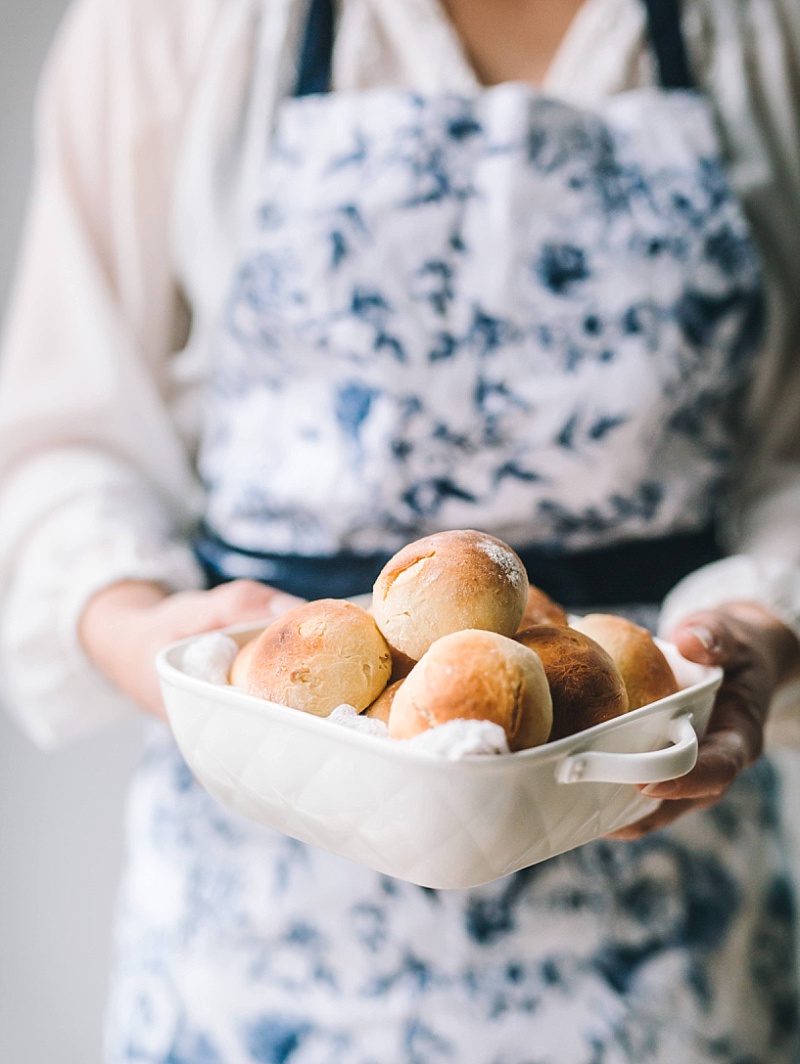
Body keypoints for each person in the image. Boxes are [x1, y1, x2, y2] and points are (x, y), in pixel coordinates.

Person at [1, 0, 799, 1060]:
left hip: (666, 923)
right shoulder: (176, 21)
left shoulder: (761, 29)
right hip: (259, 944)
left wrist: (760, 622)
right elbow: (65, 441)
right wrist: (152, 636)